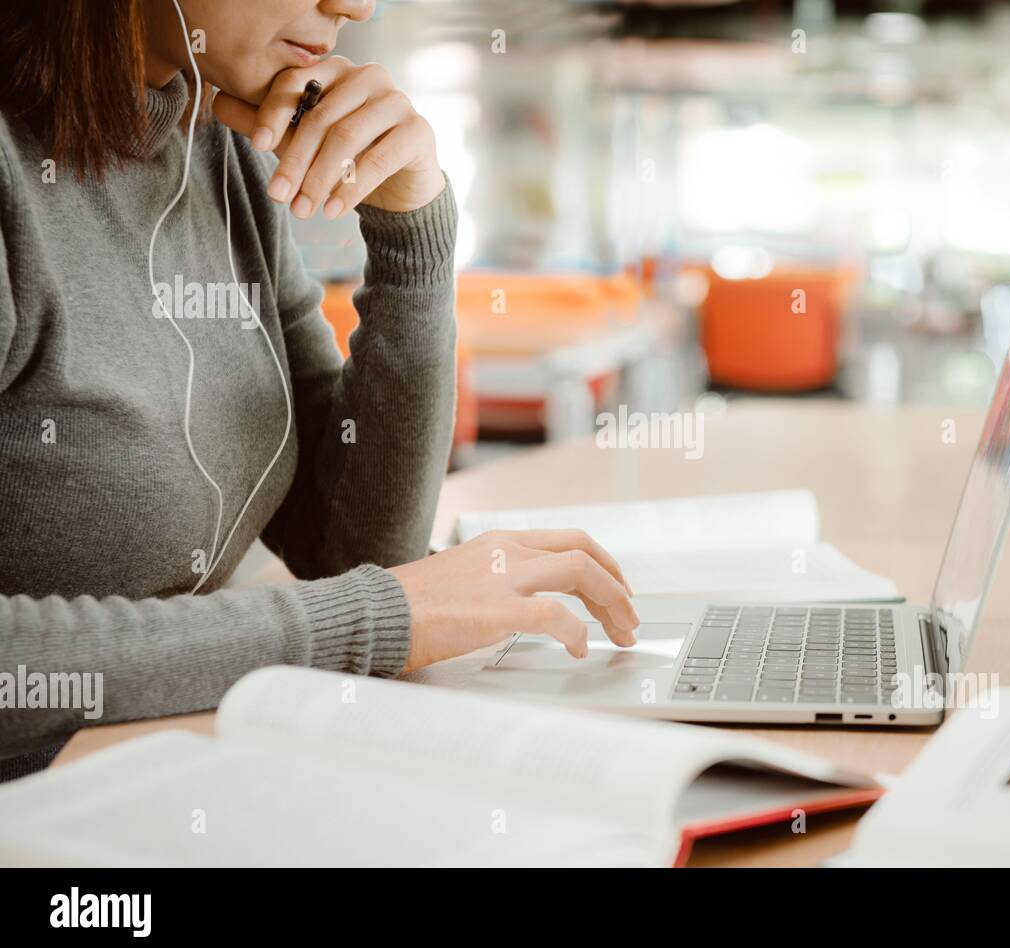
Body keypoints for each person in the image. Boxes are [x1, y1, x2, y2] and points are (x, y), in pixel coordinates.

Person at [0, 0, 637, 779]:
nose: (355, 5)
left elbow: (356, 551)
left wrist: (413, 231)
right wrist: (366, 623)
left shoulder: (217, 150)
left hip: (172, 780)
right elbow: (366, 601)